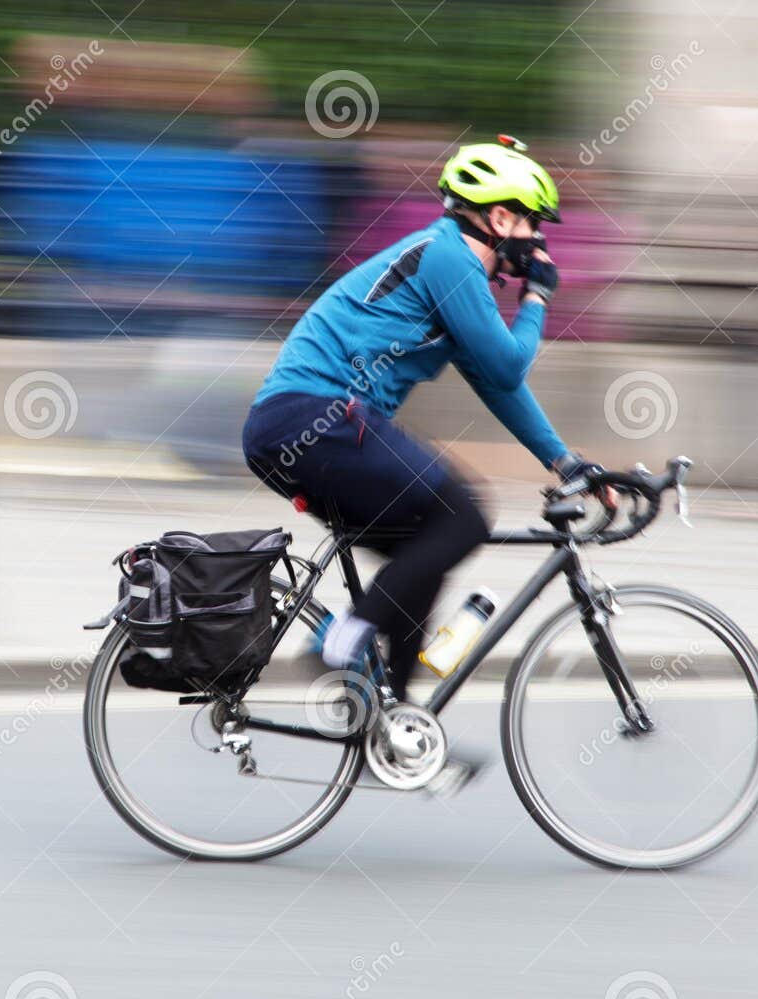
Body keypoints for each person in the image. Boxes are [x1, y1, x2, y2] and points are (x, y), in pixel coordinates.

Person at [241, 137, 597, 704]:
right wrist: (536, 300)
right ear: (500, 216)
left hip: (295, 429)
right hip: (318, 418)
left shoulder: (450, 270)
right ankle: (340, 640)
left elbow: (497, 385)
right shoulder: (448, 256)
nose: (539, 241)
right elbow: (507, 366)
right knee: (464, 514)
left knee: (424, 555)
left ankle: (397, 720)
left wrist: (566, 460)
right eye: (533, 224)